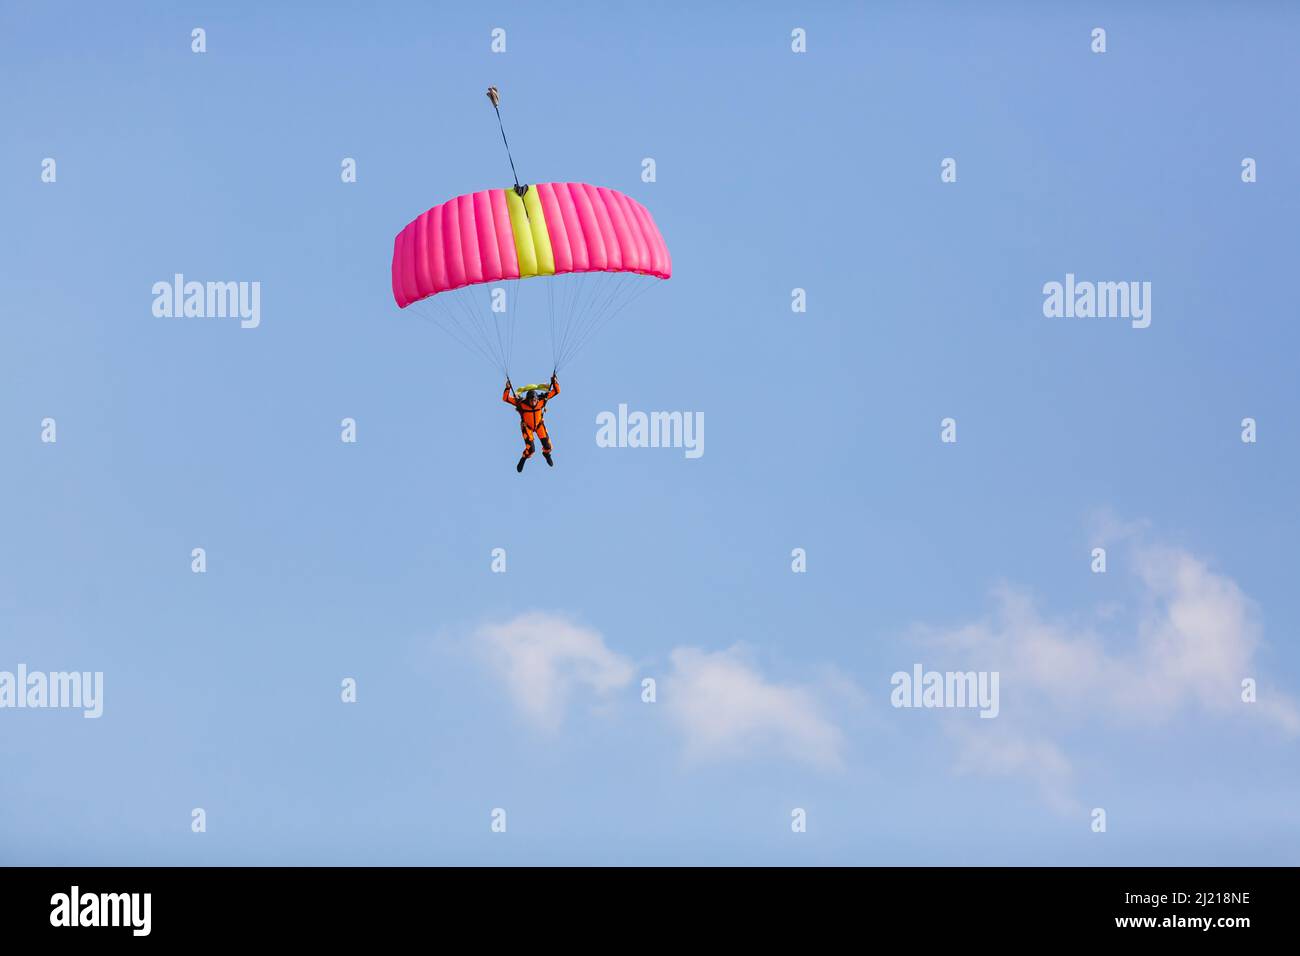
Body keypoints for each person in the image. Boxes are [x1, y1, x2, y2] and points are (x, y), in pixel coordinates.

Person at [503, 373, 559, 472]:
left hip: (538, 425)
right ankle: (524, 458)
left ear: (537, 399)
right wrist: (507, 388)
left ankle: (546, 454)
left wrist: (554, 382)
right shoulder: (521, 404)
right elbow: (506, 398)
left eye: (534, 400)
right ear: (527, 400)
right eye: (531, 400)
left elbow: (556, 391)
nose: (533, 402)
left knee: (548, 446)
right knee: (531, 449)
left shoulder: (542, 400)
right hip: (527, 427)